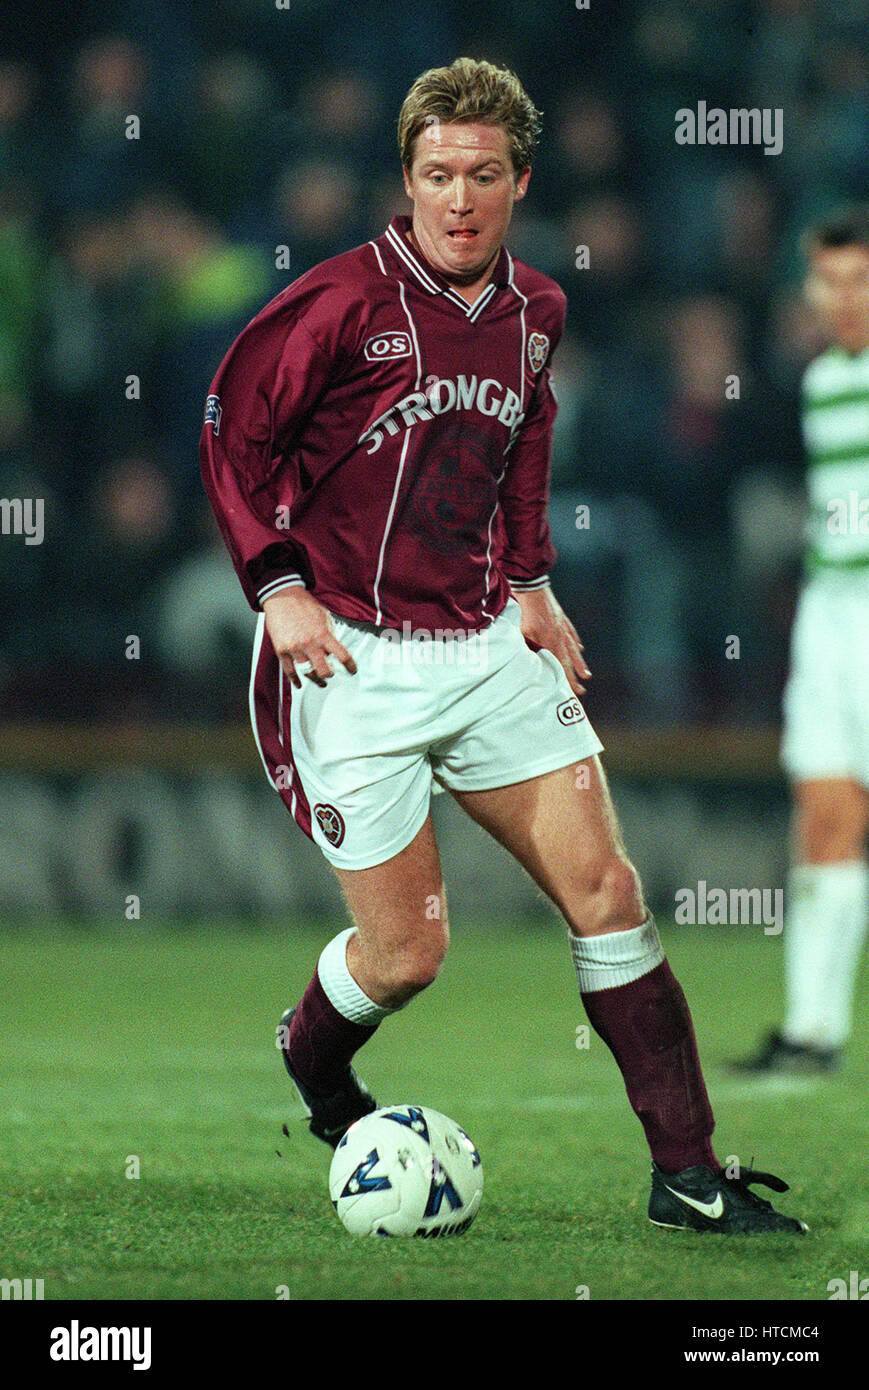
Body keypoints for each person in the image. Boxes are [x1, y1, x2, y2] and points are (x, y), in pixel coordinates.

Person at [201, 57, 805, 1233]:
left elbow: (526, 435)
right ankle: (315, 1063)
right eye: (436, 175)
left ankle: (686, 1175)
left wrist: (529, 581)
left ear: (520, 180)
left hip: (483, 646)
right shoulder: (333, 304)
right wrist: (277, 587)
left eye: (482, 174)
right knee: (406, 958)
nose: (458, 199)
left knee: (608, 890)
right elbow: (233, 434)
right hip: (350, 660)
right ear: (407, 179)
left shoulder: (538, 309)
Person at [735, 209, 869, 1075]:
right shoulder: (821, 380)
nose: (841, 298)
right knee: (823, 814)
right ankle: (811, 1030)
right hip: (831, 614)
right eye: (827, 281)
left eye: (858, 281)